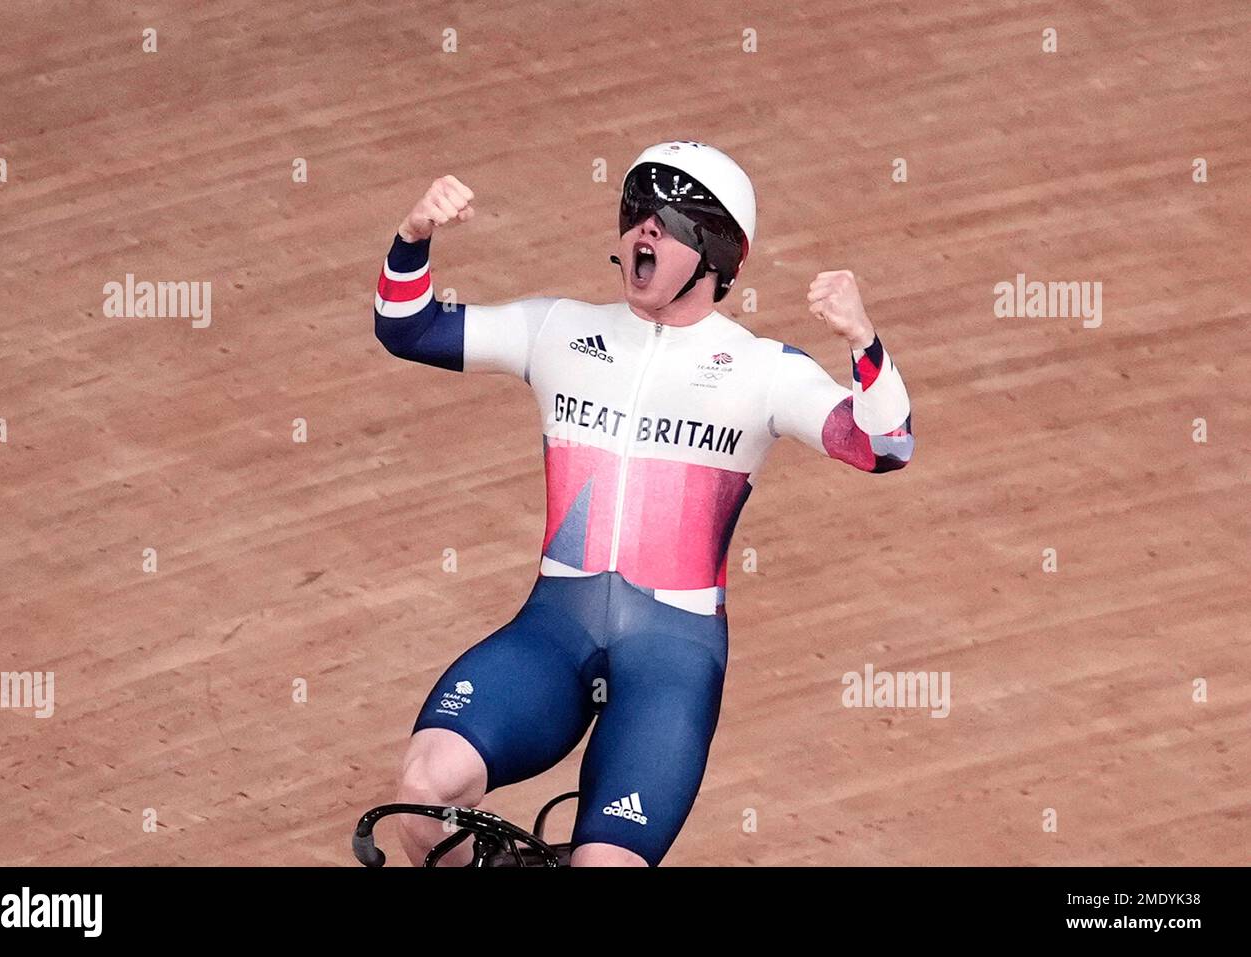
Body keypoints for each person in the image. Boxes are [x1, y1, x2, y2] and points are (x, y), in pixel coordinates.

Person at [374, 141, 914, 867]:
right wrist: (414, 236)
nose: (645, 231)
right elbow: (407, 328)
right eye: (636, 211)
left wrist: (863, 339)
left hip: (672, 661)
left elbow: (885, 446)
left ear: (718, 250)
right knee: (422, 796)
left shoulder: (762, 372)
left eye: (671, 219)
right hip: (552, 634)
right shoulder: (560, 330)